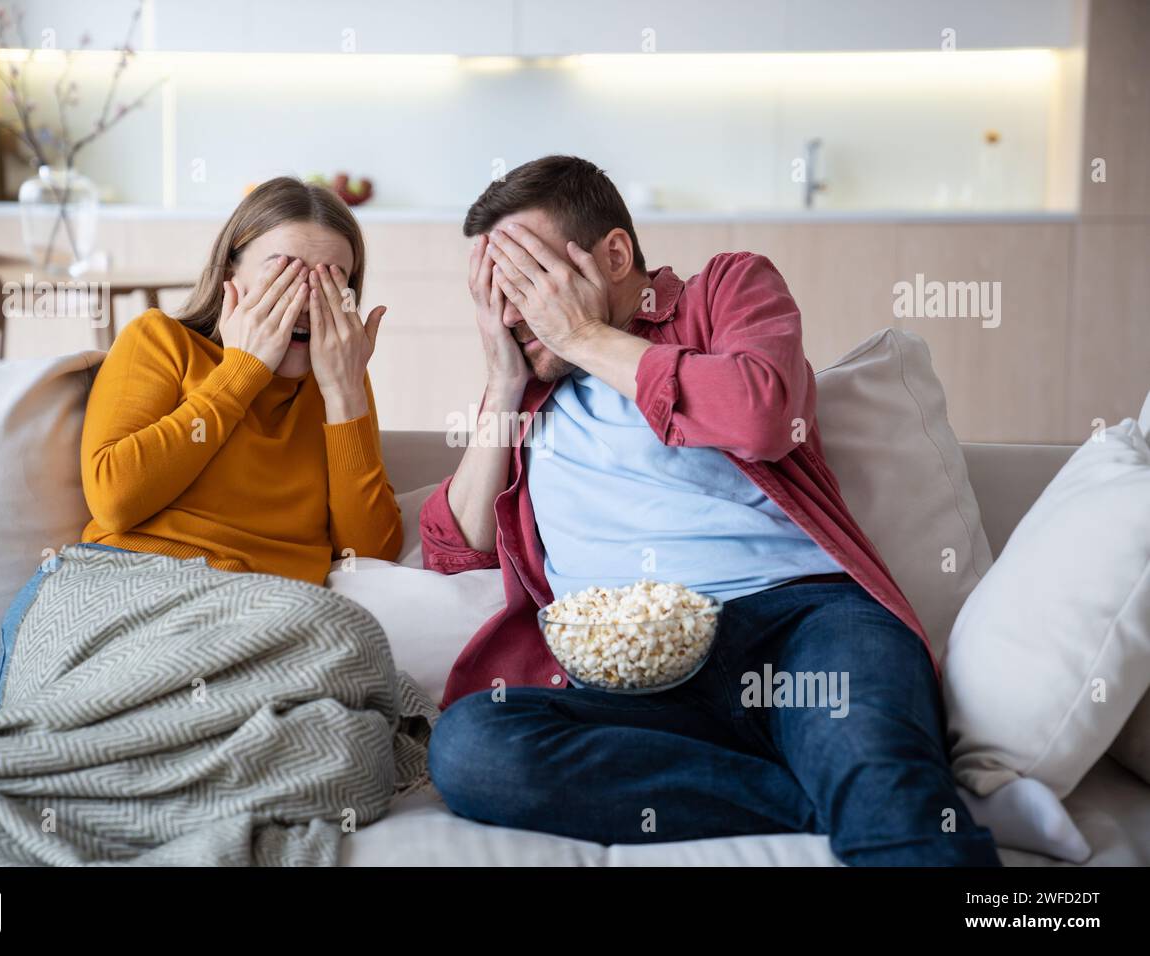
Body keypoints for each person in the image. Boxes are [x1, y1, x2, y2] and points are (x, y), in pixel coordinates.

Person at [422, 155, 1001, 866]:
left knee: (875, 772)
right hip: (632, 682)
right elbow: (457, 548)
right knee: (473, 748)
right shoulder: (525, 389)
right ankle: (826, 800)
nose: (517, 313)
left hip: (801, 628)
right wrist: (502, 383)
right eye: (497, 293)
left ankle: (872, 801)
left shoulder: (726, 290)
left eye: (534, 283)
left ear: (614, 254)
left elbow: (762, 413)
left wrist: (582, 338)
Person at [0, 176, 401, 709]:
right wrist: (242, 372)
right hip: (122, 589)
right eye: (283, 272)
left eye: (330, 280)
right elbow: (116, 500)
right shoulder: (160, 340)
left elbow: (367, 552)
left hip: (256, 616)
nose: (303, 300)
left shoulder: (341, 387)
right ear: (231, 272)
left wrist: (345, 394)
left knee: (356, 685)